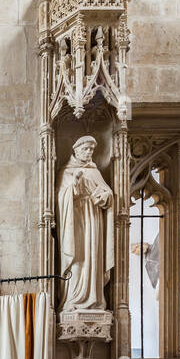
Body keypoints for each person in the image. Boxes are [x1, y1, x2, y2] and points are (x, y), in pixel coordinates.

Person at [56, 134, 115, 312]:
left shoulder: (94, 171)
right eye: (85, 149)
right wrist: (73, 185)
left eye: (91, 149)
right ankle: (73, 298)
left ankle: (94, 299)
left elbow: (109, 195)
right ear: (76, 150)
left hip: (94, 219)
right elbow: (59, 198)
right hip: (74, 221)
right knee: (77, 257)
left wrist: (105, 196)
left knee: (93, 257)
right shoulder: (66, 171)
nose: (89, 152)